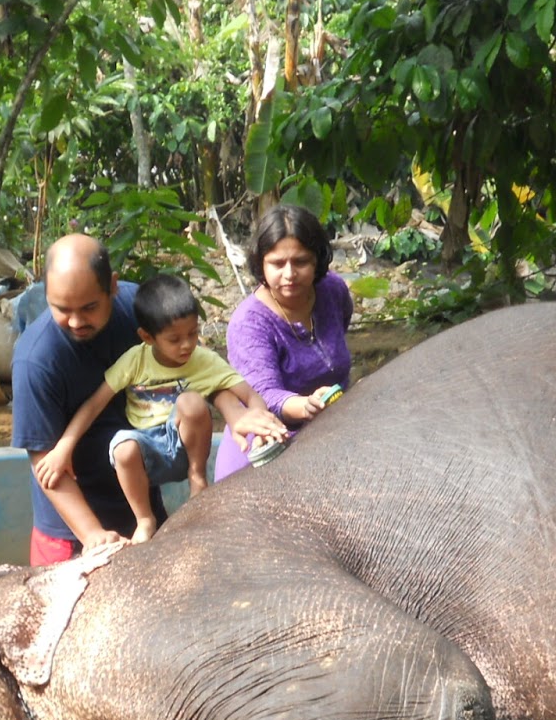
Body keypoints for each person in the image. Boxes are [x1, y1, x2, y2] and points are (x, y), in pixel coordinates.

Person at [36, 274, 284, 543]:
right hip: (147, 448)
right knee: (122, 446)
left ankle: (198, 479)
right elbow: (95, 403)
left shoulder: (204, 361)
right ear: (147, 337)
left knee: (191, 402)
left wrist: (259, 421)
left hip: (182, 443)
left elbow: (250, 394)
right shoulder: (135, 361)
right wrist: (64, 447)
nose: (187, 344)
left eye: (192, 333)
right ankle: (144, 518)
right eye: (174, 339)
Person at [11, 234, 158, 564]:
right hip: (69, 530)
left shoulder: (142, 313)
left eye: (89, 307)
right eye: (61, 309)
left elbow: (190, 360)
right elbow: (46, 462)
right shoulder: (36, 361)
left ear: (114, 286)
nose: (76, 322)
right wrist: (92, 534)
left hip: (141, 507)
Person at [215, 205, 354, 480]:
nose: (289, 274)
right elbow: (263, 395)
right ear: (260, 264)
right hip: (266, 447)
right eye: (277, 264)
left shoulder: (333, 290)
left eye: (300, 262)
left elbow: (339, 333)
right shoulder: (249, 323)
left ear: (317, 261)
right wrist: (305, 406)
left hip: (332, 432)